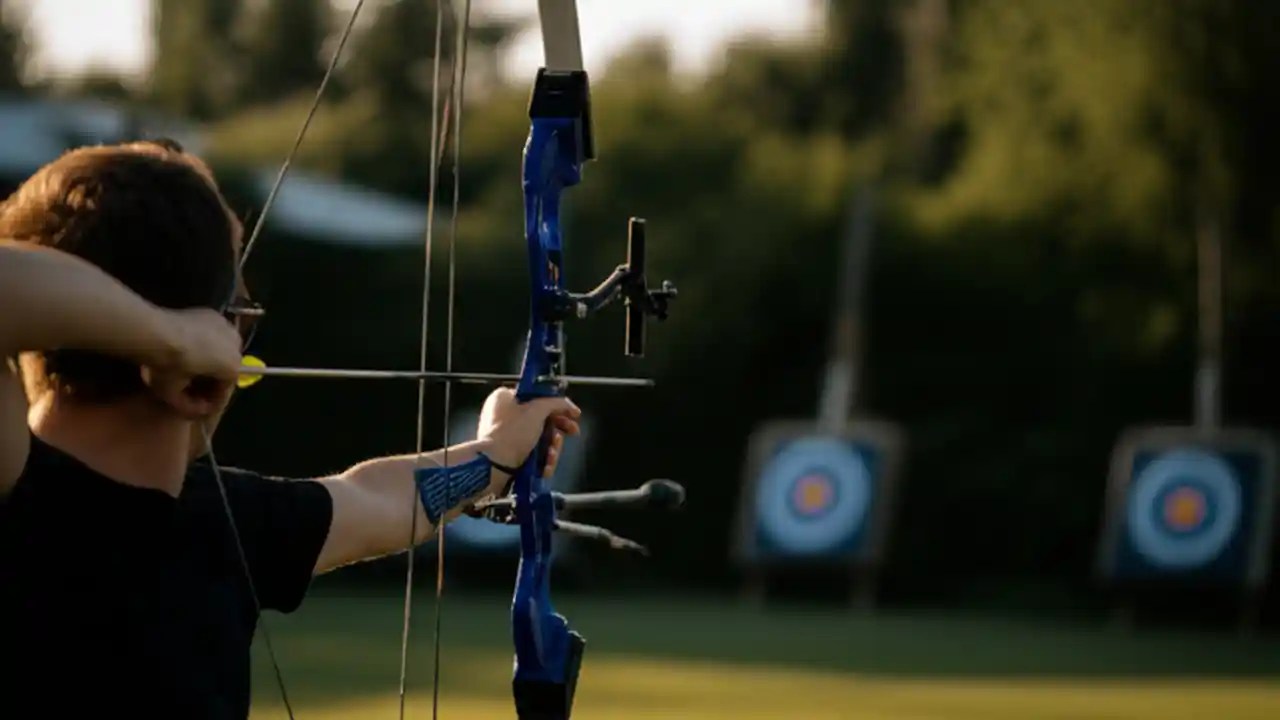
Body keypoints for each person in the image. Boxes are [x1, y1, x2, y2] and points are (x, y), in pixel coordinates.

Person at [0, 140, 581, 718]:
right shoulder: (15, 484)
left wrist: (496, 453)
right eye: (240, 318)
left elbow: (376, 498)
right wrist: (173, 338)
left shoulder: (222, 518)